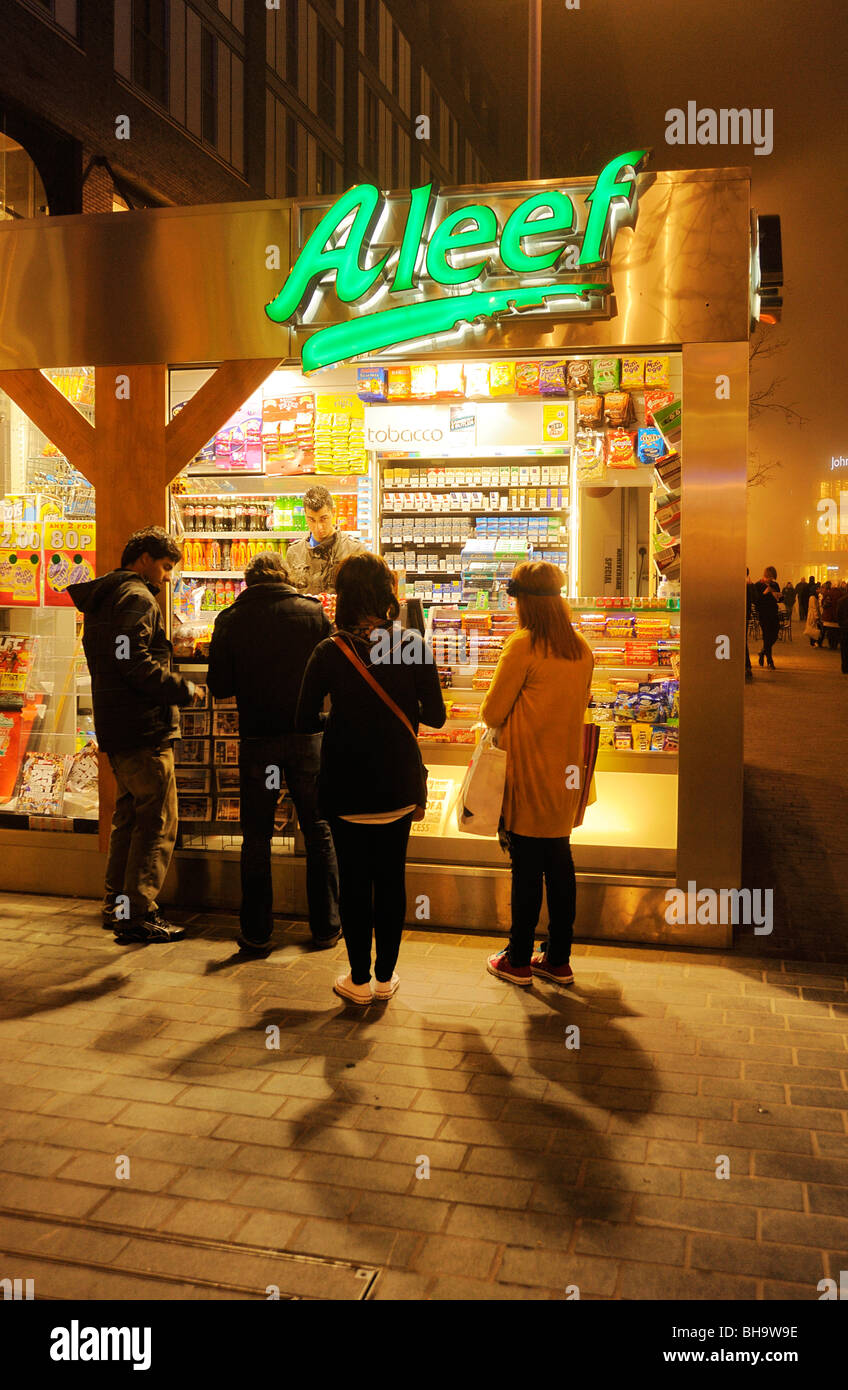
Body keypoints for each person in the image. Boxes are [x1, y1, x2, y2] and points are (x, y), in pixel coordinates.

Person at [296, 552, 446, 1004]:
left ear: (344, 597)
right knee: (391, 878)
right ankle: (385, 977)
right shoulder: (413, 645)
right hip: (398, 782)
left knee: (355, 881)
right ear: (386, 594)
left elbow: (304, 719)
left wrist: (344, 719)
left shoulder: (329, 650)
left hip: (346, 784)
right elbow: (436, 717)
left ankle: (358, 979)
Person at [69, 527, 202, 943]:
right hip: (142, 726)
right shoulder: (137, 597)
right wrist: (182, 689)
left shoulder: (105, 597)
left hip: (118, 724)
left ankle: (119, 904)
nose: (166, 578)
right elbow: (132, 662)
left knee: (129, 817)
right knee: (156, 821)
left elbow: (121, 658)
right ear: (143, 558)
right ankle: (138, 912)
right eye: (165, 567)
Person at [206, 550, 340, 953]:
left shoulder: (230, 620)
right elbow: (335, 671)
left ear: (249, 581)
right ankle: (326, 927)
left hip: (259, 741)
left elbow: (220, 686)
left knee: (257, 837)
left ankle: (258, 932)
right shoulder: (313, 614)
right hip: (307, 738)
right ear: (284, 576)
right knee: (318, 830)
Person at [479, 561, 594, 989]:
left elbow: (492, 712)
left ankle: (518, 959)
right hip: (567, 772)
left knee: (526, 867)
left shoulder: (522, 646)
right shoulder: (581, 647)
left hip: (528, 771)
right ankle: (558, 959)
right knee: (560, 861)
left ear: (524, 601)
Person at [284, 484, 365, 595]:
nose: (318, 527)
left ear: (333, 513)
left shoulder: (354, 550)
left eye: (323, 519)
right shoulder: (294, 552)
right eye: (312, 520)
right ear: (305, 516)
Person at [754, 566, 781, 669]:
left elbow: (780, 599)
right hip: (764, 614)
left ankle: (762, 652)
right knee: (766, 636)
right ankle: (770, 660)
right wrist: (765, 593)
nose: (771, 580)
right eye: (770, 577)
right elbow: (757, 601)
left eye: (773, 578)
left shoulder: (775, 585)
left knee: (774, 634)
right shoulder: (758, 585)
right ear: (766, 575)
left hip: (774, 612)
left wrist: (778, 596)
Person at [820, 581, 840, 650]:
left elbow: (825, 605)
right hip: (837, 617)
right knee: (836, 632)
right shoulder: (841, 594)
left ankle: (831, 645)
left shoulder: (828, 594)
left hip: (828, 617)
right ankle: (834, 645)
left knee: (829, 631)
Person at [745, 568, 757, 681]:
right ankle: (747, 666)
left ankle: (747, 666)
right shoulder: (749, 586)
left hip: (743, 617)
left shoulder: (748, 586)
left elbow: (754, 599)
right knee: (743, 641)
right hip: (745, 616)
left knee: (742, 641)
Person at [804, 583, 824, 647]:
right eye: (819, 589)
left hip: (813, 615)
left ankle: (814, 642)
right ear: (815, 590)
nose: (820, 590)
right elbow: (814, 608)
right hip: (813, 616)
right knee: (814, 629)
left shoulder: (815, 597)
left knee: (814, 628)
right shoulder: (812, 597)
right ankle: (814, 642)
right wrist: (817, 617)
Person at [837, 586, 848, 674]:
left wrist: (841, 624)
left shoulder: (841, 601)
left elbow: (838, 615)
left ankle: (845, 667)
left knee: (844, 648)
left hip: (844, 627)